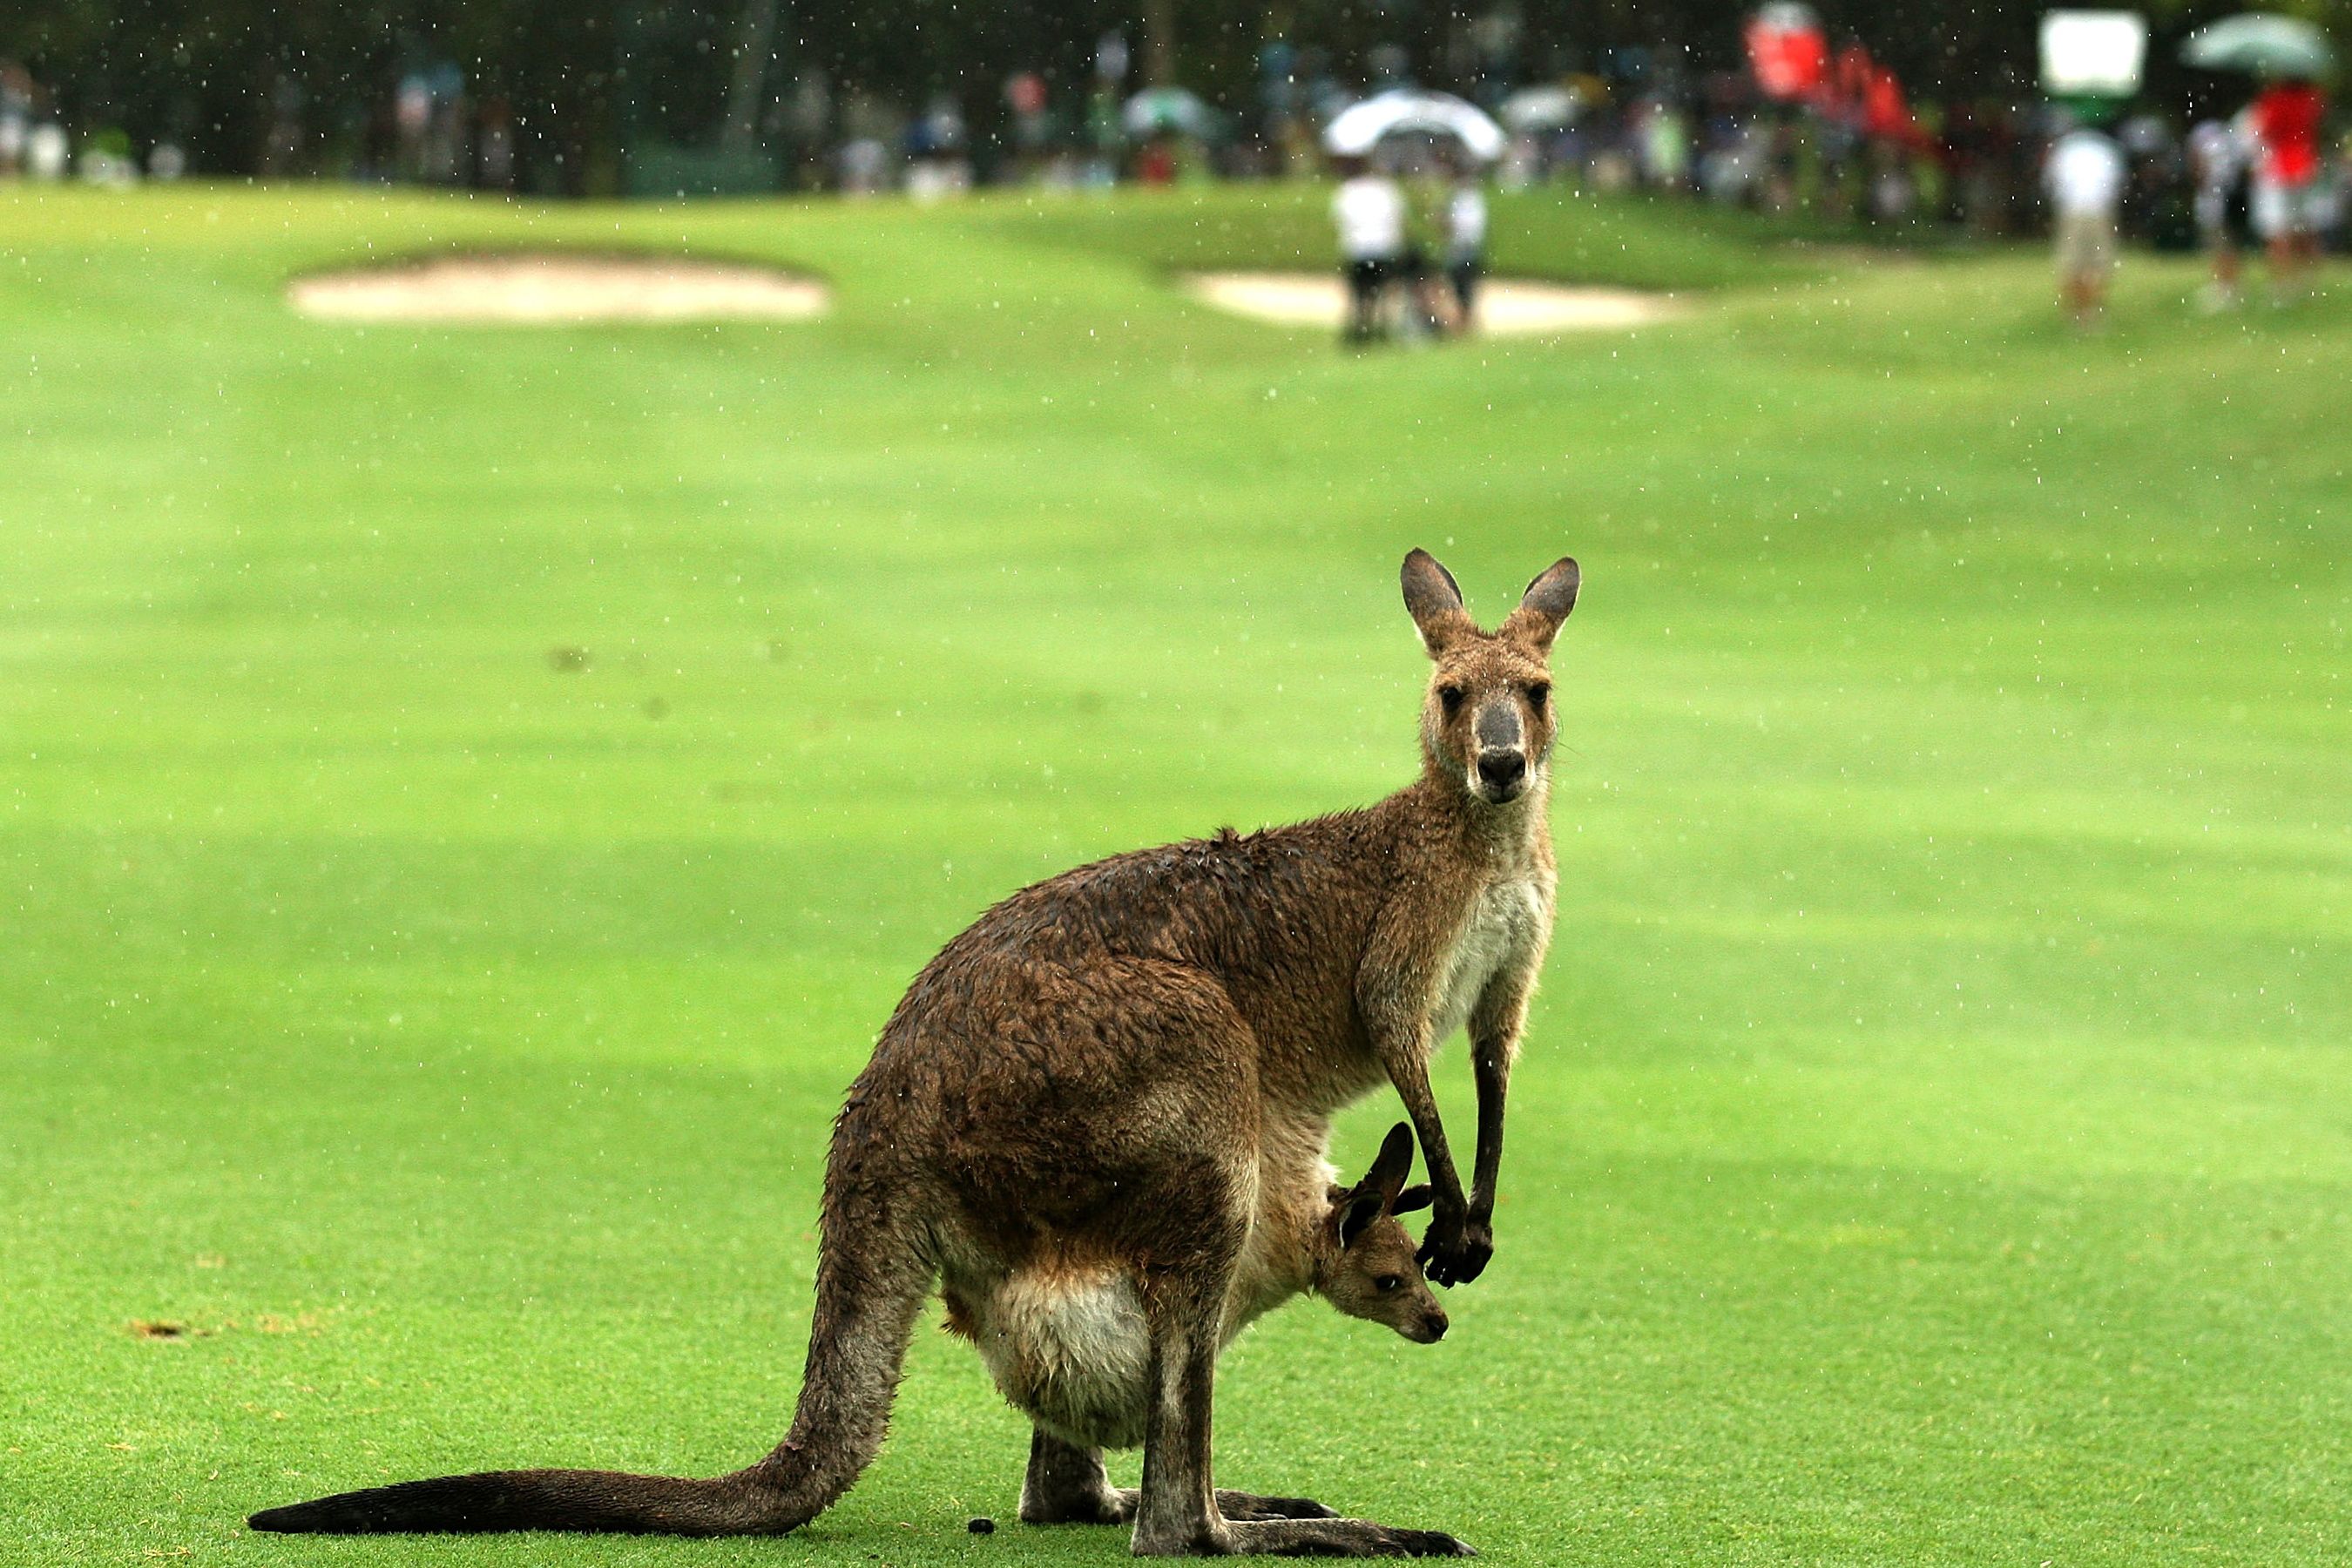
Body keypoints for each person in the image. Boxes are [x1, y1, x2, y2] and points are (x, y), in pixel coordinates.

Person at [2247, 75, 2328, 300]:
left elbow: (2263, 132)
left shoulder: (2273, 100)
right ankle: (2308, 280)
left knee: (2278, 230)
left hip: (2279, 168)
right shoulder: (2312, 98)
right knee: (2305, 227)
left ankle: (2283, 283)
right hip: (2306, 165)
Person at [2045, 118, 2125, 328]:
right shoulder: (2107, 147)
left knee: (2073, 262)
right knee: (2098, 263)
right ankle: (2092, 311)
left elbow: (2052, 181)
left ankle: (2078, 312)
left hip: (2072, 208)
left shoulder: (2064, 148)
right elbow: (2117, 181)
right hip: (2100, 208)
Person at [1331, 156, 1404, 343]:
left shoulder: (1348, 191)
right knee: (1381, 292)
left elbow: (1340, 218)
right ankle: (1381, 330)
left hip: (1358, 249)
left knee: (1359, 294)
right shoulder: (1386, 191)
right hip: (1382, 248)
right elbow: (1397, 218)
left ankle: (1360, 329)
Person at [2188, 113, 2253, 311]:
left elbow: (2200, 167)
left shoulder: (2205, 136)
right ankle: (2228, 284)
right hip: (2232, 196)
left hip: (2215, 198)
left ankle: (2225, 287)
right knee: (2229, 243)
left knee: (2220, 244)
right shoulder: (2234, 135)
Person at [1443, 166, 1489, 334]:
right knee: (1466, 285)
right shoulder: (1474, 198)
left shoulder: (1461, 198)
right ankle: (1466, 319)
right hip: (1470, 246)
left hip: (1462, 247)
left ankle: (1465, 320)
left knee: (1461, 285)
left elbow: (1454, 226)